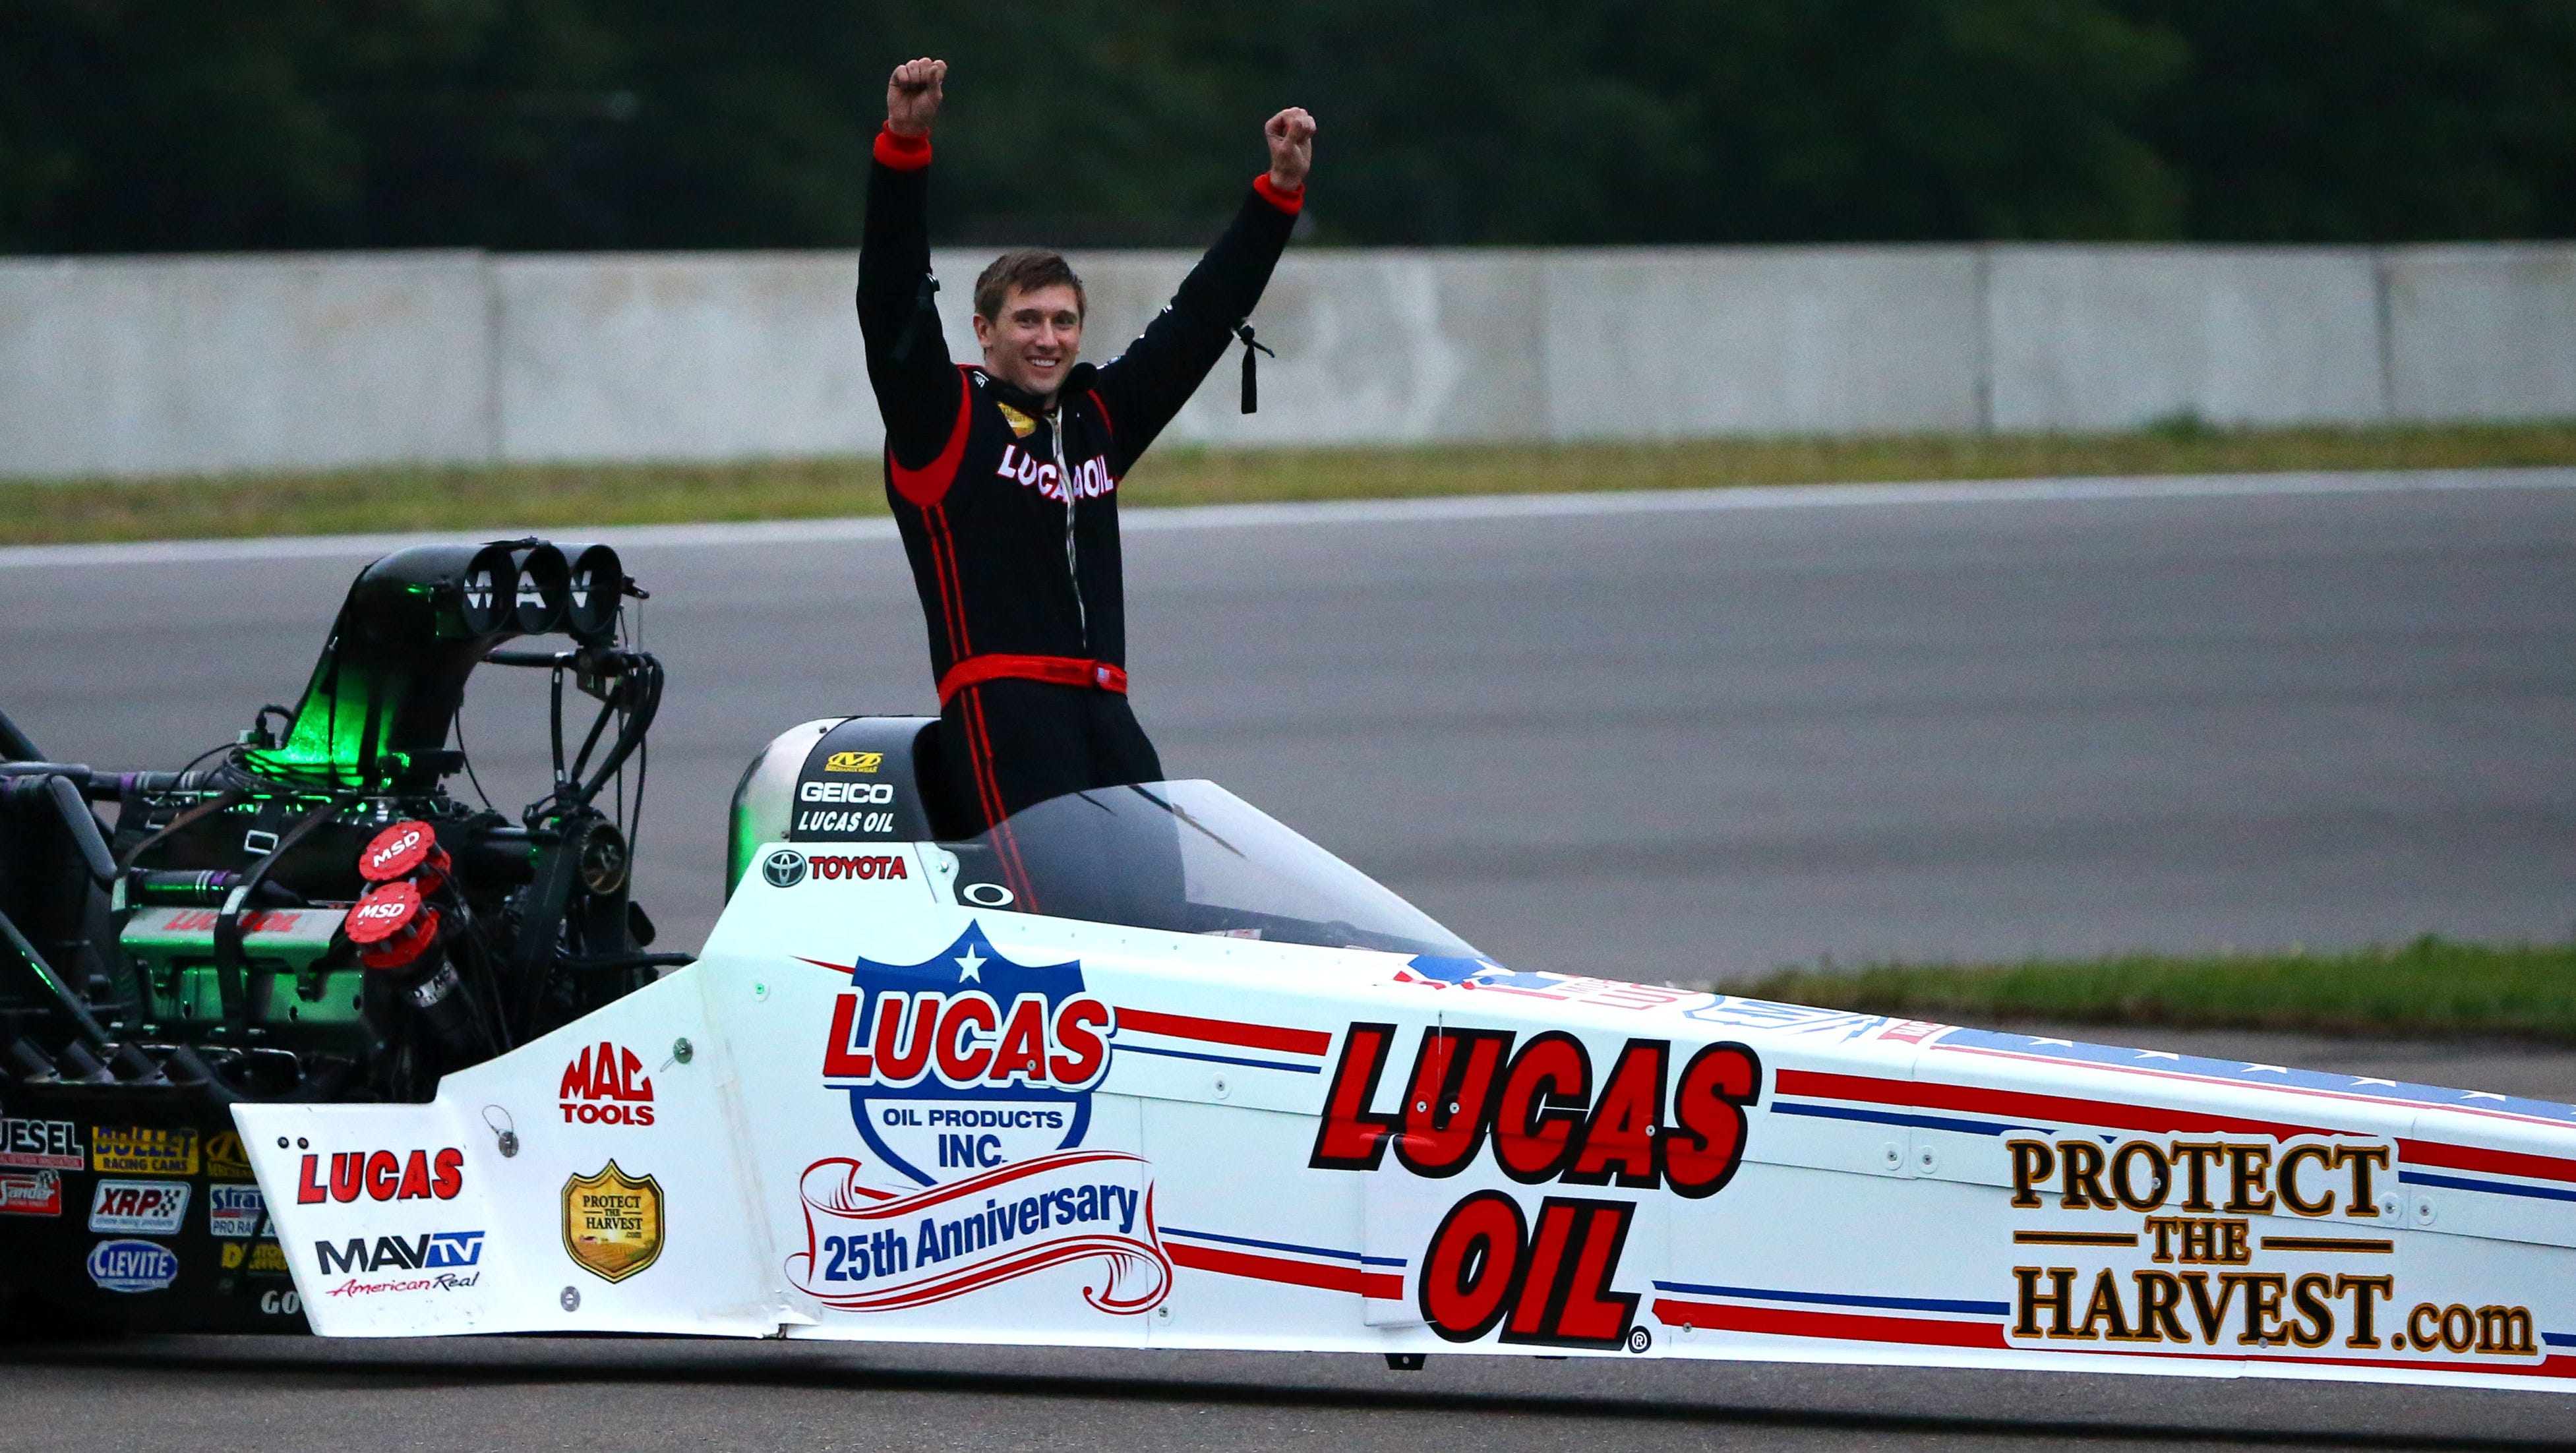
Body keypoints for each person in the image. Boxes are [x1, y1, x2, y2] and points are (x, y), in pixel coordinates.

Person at [857, 56, 1314, 840]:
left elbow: (1200, 318)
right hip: (1004, 719)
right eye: (1027, 320)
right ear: (985, 331)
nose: (1047, 338)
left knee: (1166, 931)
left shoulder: (1097, 417)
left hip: (1109, 716)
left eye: (1063, 321)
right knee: (1061, 939)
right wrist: (904, 147)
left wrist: (1277, 195)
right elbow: (891, 298)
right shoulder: (942, 419)